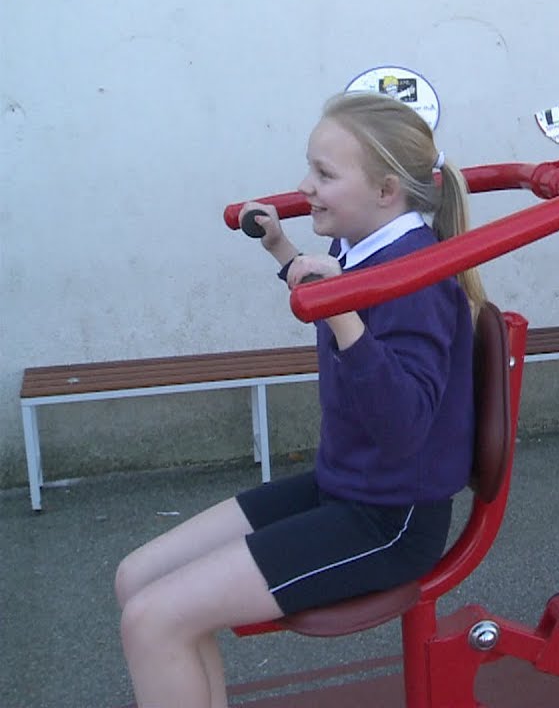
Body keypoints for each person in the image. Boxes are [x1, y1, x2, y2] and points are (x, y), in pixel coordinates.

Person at [115, 91, 487, 707]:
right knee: (138, 581)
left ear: (387, 190)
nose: (304, 185)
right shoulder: (366, 247)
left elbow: (403, 428)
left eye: (324, 174)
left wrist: (340, 311)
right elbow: (341, 302)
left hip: (389, 521)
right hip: (342, 486)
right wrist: (282, 252)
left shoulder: (418, 281)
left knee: (154, 620)